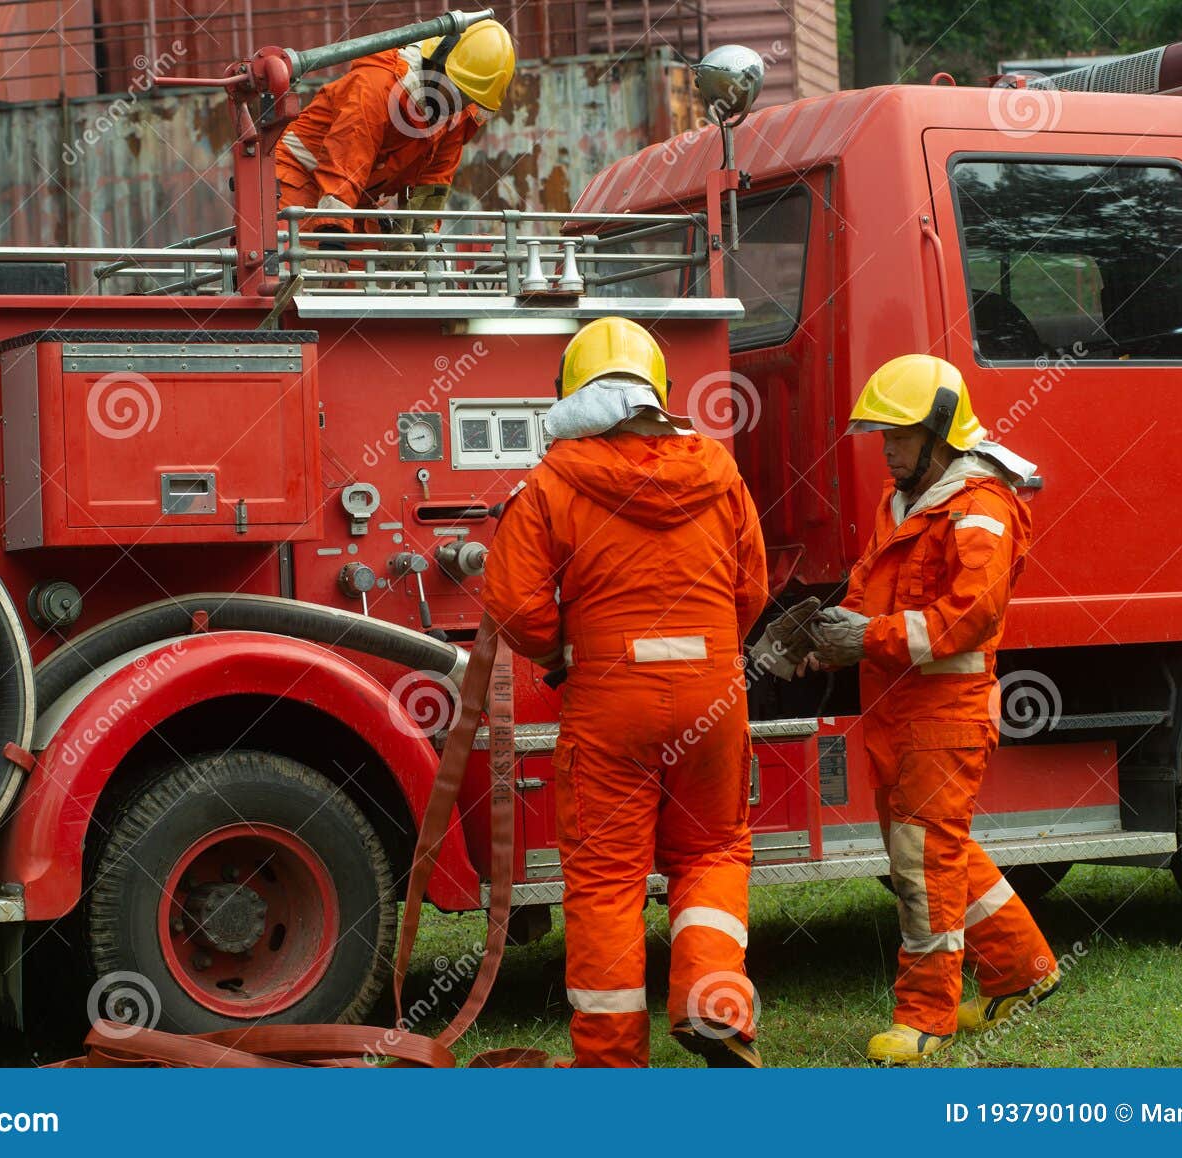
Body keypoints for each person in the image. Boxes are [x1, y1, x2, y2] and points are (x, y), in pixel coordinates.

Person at [482, 317, 769, 1068]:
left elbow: (516, 607)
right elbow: (752, 590)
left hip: (610, 701)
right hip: (712, 692)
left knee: (607, 878)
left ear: (572, 394)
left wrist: (560, 652)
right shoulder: (718, 471)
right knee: (711, 850)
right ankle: (715, 1000)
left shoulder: (550, 483)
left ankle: (612, 1067)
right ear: (659, 393)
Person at [796, 353, 1059, 1065]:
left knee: (921, 865)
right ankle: (1027, 973)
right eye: (883, 436)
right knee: (941, 852)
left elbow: (969, 616)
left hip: (942, 715)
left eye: (899, 436)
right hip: (898, 713)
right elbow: (871, 586)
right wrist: (831, 634)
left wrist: (868, 638)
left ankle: (926, 1018)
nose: (887, 451)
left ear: (940, 434)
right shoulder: (907, 498)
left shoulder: (981, 507)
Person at [274, 19, 515, 275]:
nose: (461, 105)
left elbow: (432, 183)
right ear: (437, 66)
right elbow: (346, 160)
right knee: (303, 279)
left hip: (354, 198)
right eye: (459, 93)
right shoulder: (375, 87)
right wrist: (333, 238)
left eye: (469, 99)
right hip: (299, 182)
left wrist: (423, 246)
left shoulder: (454, 113)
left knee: (363, 289)